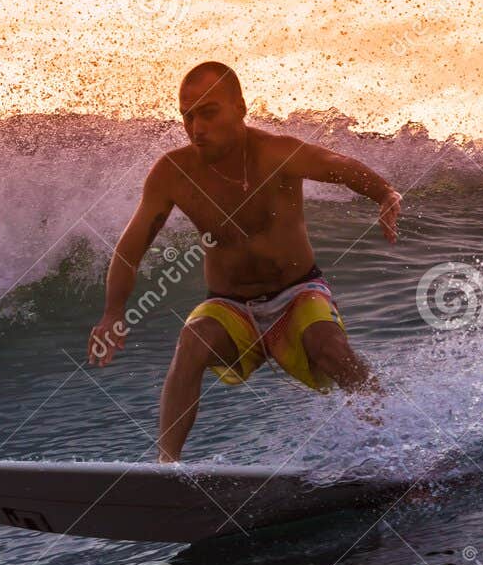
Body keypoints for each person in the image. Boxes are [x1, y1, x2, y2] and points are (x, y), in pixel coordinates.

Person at [88, 61, 401, 462]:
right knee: (192, 341)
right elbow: (131, 248)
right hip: (230, 306)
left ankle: (395, 447)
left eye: (208, 112)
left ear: (240, 108)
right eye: (188, 116)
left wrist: (384, 194)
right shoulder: (173, 173)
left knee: (329, 346)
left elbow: (335, 165)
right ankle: (166, 468)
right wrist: (113, 311)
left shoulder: (276, 153)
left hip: (297, 295)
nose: (196, 128)